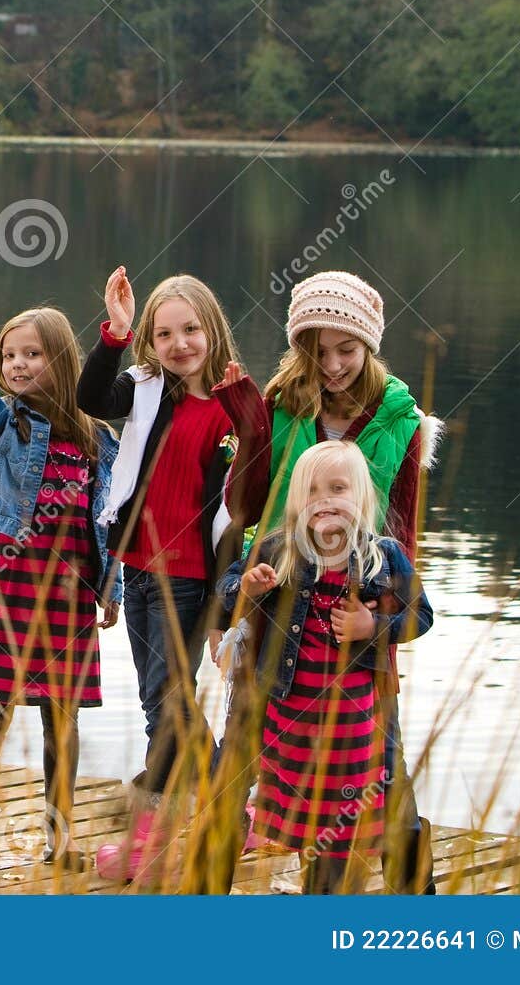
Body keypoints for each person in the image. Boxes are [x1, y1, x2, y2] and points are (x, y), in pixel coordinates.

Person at [210, 270, 443, 893]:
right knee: (234, 762)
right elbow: (246, 508)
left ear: (369, 346)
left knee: (382, 766)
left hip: (357, 624)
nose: (333, 364)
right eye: (319, 350)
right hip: (277, 603)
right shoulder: (283, 406)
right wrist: (251, 429)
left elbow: (406, 530)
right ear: (301, 347)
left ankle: (415, 899)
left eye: (347, 349)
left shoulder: (402, 419)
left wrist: (385, 627)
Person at [0, 270, 121, 878]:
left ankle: (59, 835)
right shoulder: (6, 424)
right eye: (9, 356)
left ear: (62, 361)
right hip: (11, 596)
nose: (17, 366)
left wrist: (112, 591)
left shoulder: (97, 439)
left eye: (32, 355)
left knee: (60, 727)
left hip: (72, 604)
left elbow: (109, 525)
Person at [76, 270, 244, 881]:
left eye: (191, 329)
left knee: (165, 703)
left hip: (191, 579)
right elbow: (92, 398)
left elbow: (243, 502)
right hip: (139, 570)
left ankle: (153, 838)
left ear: (212, 330)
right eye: (164, 333)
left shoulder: (232, 409)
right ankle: (229, 799)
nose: (179, 344)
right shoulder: (145, 388)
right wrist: (115, 335)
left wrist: (228, 602)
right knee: (163, 701)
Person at [214, 441, 433, 893]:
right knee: (293, 807)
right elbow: (227, 587)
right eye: (312, 491)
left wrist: (373, 624)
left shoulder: (384, 555)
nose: (325, 499)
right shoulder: (278, 549)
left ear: (362, 498)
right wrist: (248, 589)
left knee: (354, 812)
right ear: (297, 501)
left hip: (355, 720)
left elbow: (420, 616)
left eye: (338, 488)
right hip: (287, 712)